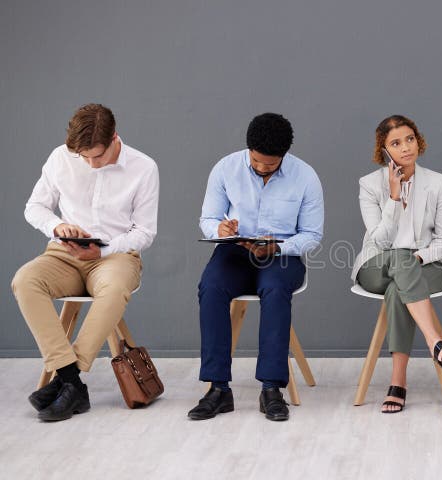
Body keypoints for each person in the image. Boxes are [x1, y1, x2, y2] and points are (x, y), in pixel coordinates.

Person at [12, 103, 159, 422]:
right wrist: (57, 227)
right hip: (63, 254)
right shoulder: (60, 157)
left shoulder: (143, 167)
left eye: (98, 156)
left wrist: (103, 251)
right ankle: (72, 380)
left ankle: (68, 378)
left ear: (114, 138)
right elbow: (34, 207)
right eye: (84, 157)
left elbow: (145, 232)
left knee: (115, 288)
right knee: (25, 280)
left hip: (115, 257)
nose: (91, 163)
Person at [189, 113, 323, 422]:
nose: (262, 168)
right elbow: (208, 218)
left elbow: (312, 235)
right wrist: (219, 230)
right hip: (235, 252)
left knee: (275, 290)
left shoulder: (305, 177)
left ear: (284, 156)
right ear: (248, 149)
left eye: (270, 164)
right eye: (256, 162)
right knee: (210, 287)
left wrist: (278, 246)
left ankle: (271, 390)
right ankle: (218, 389)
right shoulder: (225, 169)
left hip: (282, 254)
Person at [352, 115, 442, 413]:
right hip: (377, 265)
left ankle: (398, 382)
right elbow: (381, 242)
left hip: (429, 265)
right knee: (399, 259)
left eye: (410, 139)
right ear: (383, 150)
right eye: (395, 143)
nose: (405, 147)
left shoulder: (438, 183)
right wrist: (394, 196)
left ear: (418, 140)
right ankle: (435, 341)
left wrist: (420, 257)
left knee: (399, 287)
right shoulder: (369, 186)